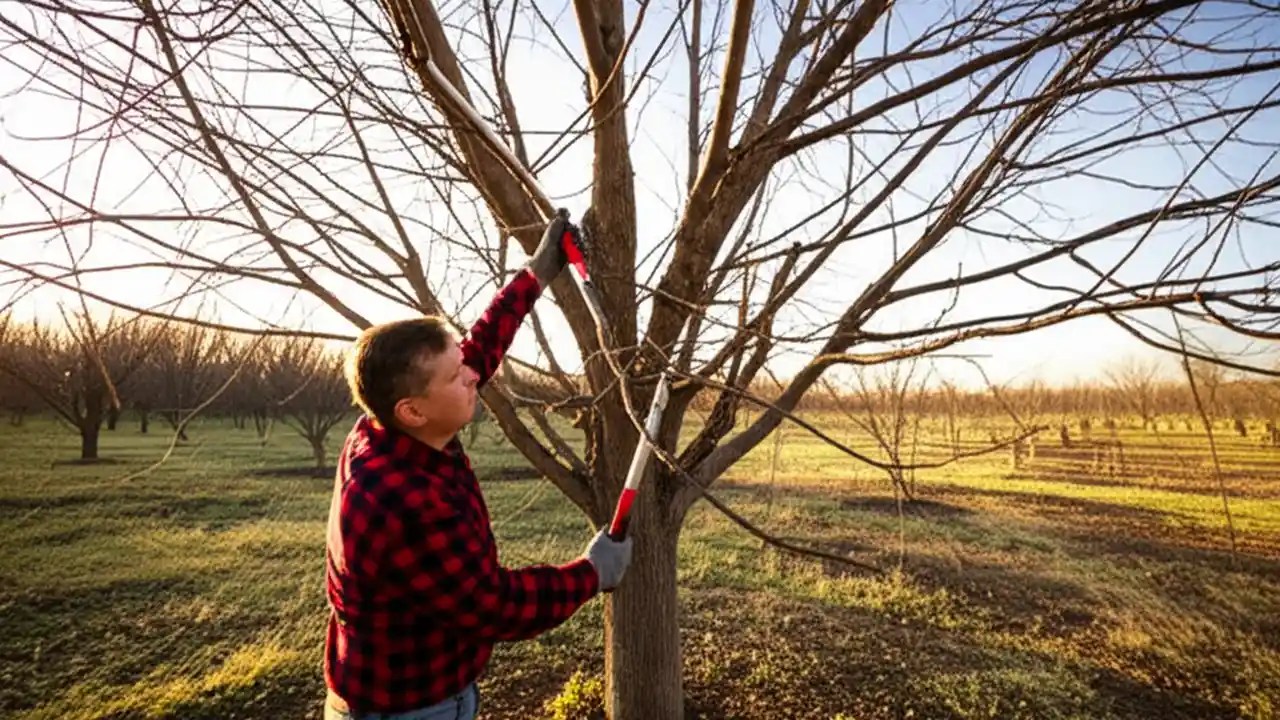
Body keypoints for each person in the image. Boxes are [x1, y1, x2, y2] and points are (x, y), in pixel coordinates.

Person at [323, 214, 634, 720]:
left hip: (420, 691)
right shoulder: (404, 501)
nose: (473, 375)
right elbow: (492, 605)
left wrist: (533, 277)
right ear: (414, 410)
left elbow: (478, 352)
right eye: (455, 375)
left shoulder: (387, 426)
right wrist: (591, 573)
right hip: (406, 708)